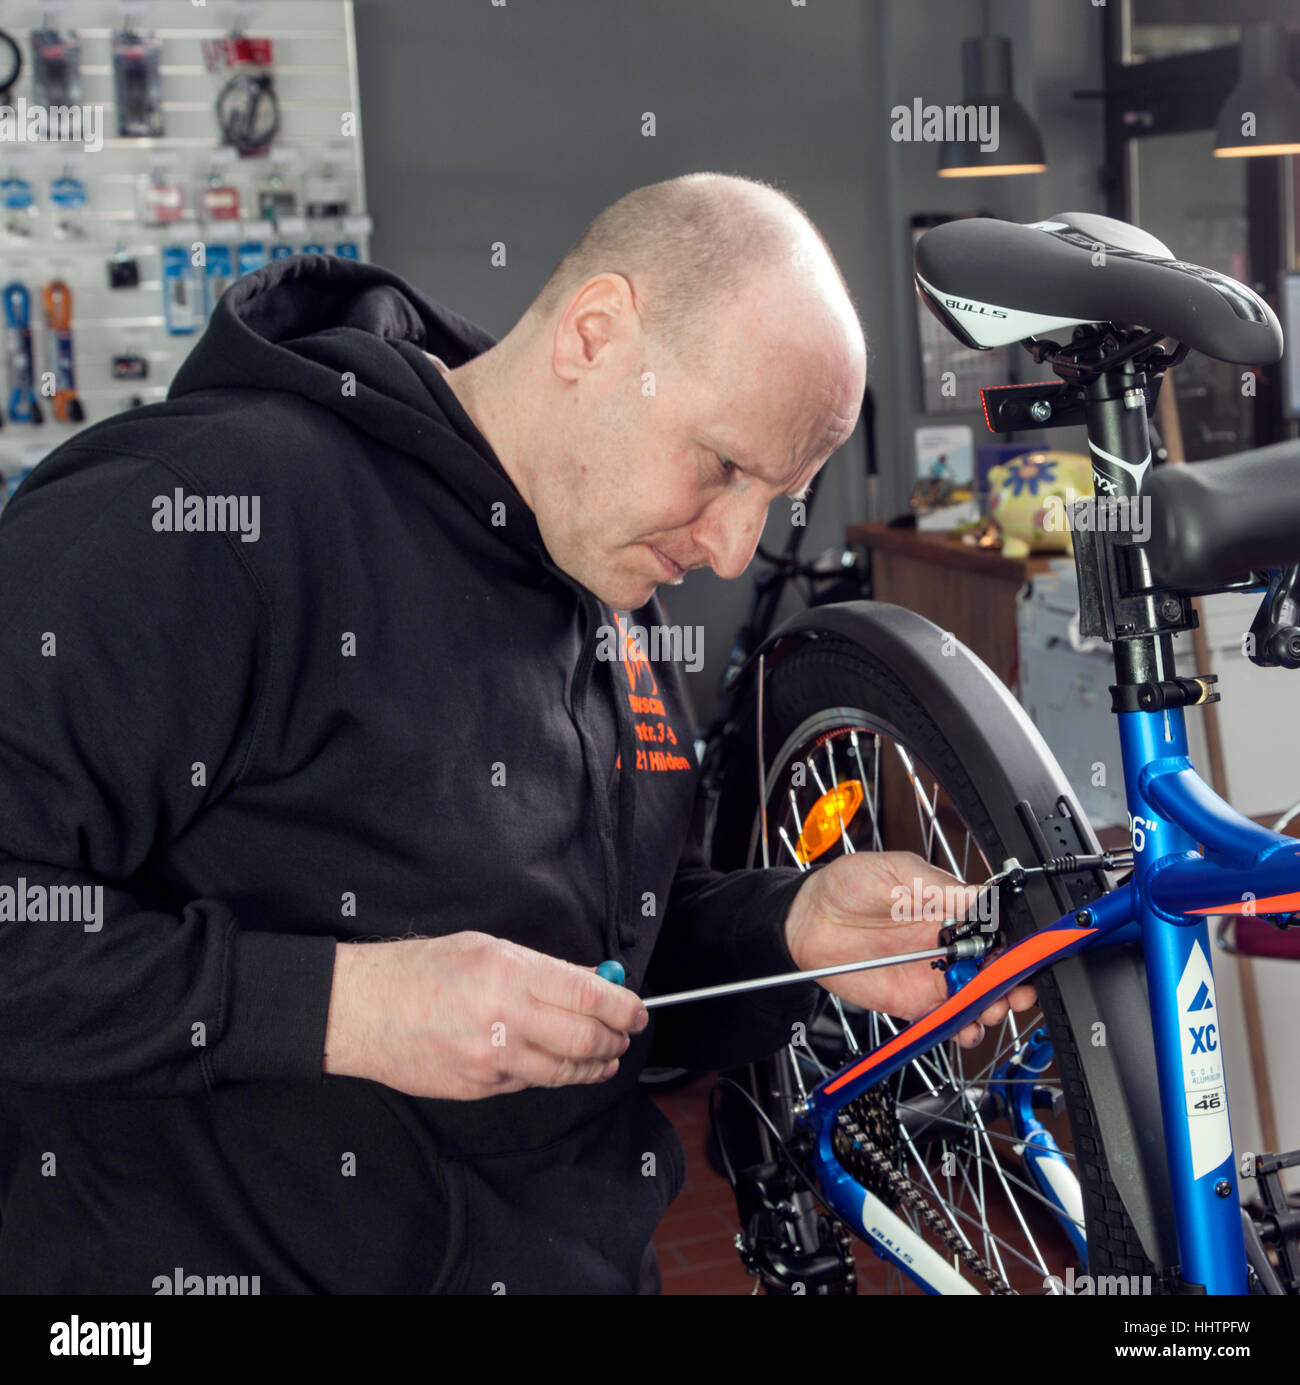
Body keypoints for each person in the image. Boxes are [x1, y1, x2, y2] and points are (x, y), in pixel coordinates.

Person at [0, 172, 1032, 1294]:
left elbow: (606, 944)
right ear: (595, 336)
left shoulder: (609, 569)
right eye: (724, 465)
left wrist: (792, 925)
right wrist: (344, 1007)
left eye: (772, 496)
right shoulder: (198, 515)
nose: (735, 548)